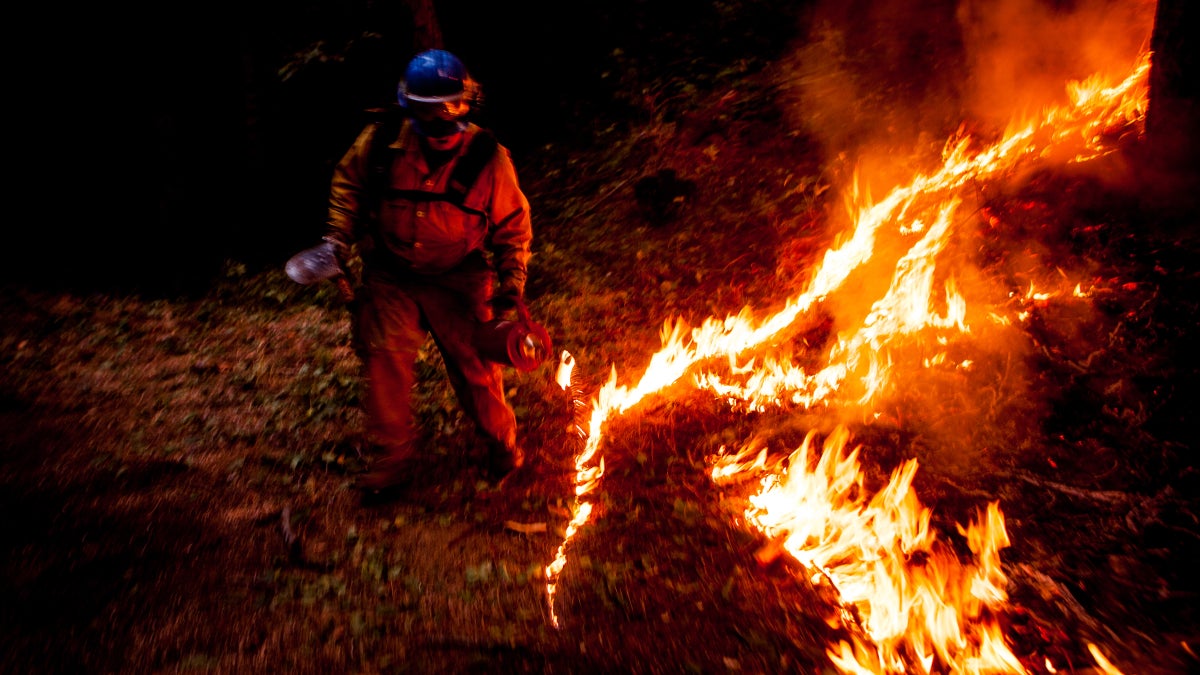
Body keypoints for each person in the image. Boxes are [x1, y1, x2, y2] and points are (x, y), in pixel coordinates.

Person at [322, 49, 532, 491]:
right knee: (385, 360)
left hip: (459, 276)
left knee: (475, 369)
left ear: (464, 108)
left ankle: (501, 441)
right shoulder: (380, 142)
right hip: (391, 273)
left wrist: (512, 282)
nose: (439, 135)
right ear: (410, 110)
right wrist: (337, 236)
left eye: (447, 124)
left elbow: (514, 226)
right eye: (428, 124)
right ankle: (391, 459)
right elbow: (348, 185)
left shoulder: (488, 158)